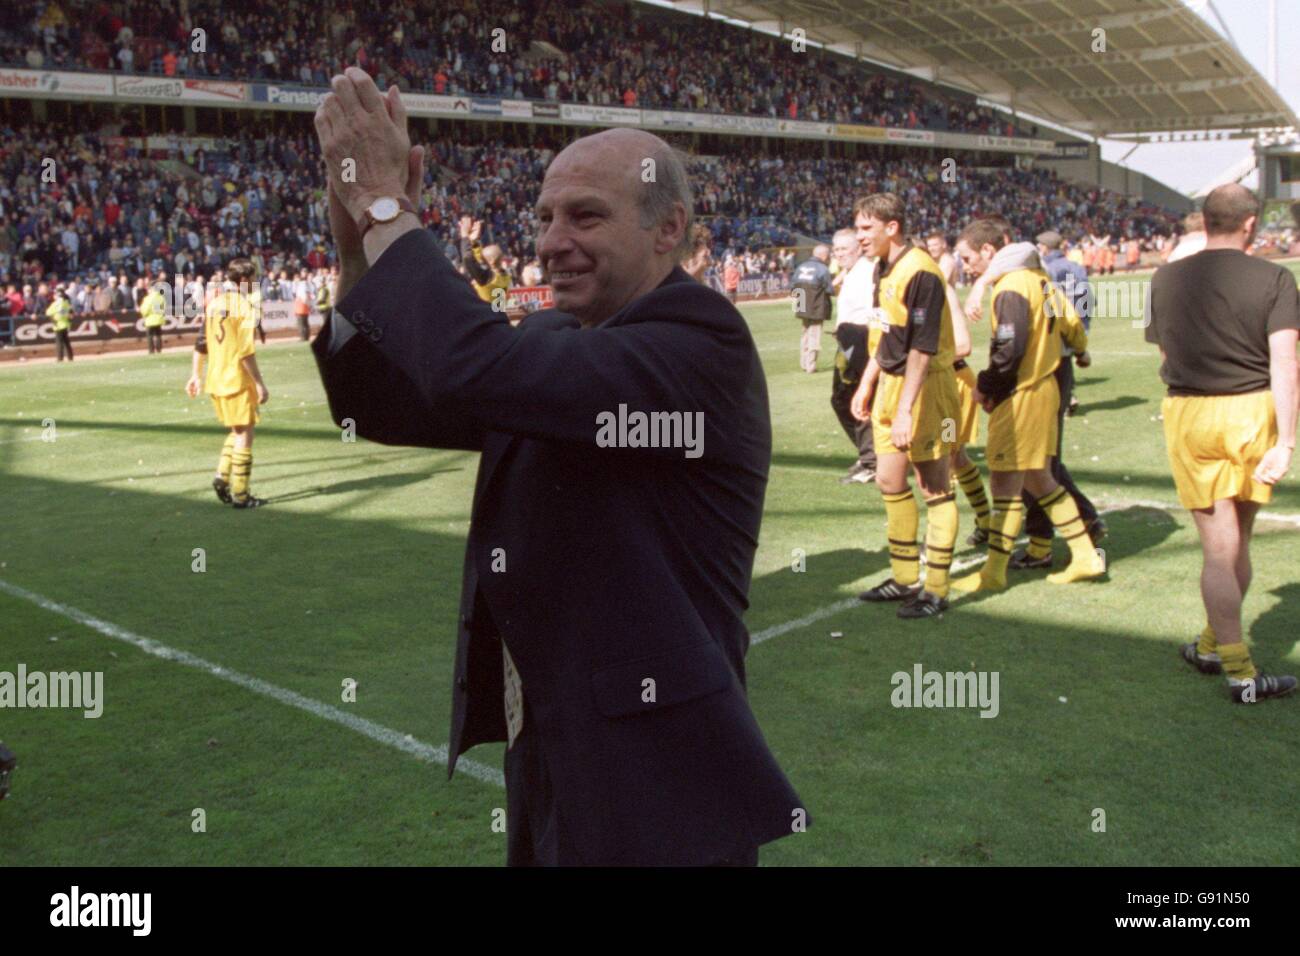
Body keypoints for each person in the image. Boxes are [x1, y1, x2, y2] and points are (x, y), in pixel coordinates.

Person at [311, 69, 806, 865]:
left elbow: (471, 368)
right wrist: (353, 246)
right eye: (543, 217)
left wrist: (385, 210)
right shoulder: (553, 345)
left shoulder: (699, 343)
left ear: (667, 229)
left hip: (657, 776)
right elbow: (378, 406)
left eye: (585, 216)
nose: (551, 242)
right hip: (552, 743)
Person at [1145, 184, 1298, 703]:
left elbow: (1164, 347)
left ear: (1204, 220)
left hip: (1190, 411)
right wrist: (1288, 441)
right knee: (1237, 544)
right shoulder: (1276, 277)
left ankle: (1217, 648)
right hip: (1253, 412)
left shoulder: (1165, 277)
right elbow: (1286, 362)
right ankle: (1238, 672)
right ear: (1251, 223)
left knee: (1219, 547)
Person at [949, 218, 1105, 594]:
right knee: (1039, 478)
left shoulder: (1013, 286)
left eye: (968, 257)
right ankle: (1085, 556)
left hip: (1023, 394)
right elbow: (1070, 322)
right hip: (1046, 389)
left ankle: (993, 573)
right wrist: (1080, 351)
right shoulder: (1041, 279)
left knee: (1006, 483)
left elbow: (1009, 347)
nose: (966, 266)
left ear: (989, 251)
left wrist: (986, 386)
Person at [849, 193, 961, 619]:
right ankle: (903, 577)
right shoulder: (882, 268)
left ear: (890, 227)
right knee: (890, 482)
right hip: (891, 384)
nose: (860, 237)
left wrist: (906, 410)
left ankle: (936, 589)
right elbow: (884, 333)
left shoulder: (923, 273)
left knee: (934, 486)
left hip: (927, 389)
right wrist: (866, 383)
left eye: (865, 229)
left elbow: (922, 349)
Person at [185, 258, 269, 509]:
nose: (256, 283)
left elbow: (201, 344)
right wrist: (260, 384)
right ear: (243, 281)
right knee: (246, 433)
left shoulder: (214, 304)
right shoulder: (243, 308)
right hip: (236, 379)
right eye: (253, 279)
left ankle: (222, 476)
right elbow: (245, 352)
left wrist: (195, 375)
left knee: (238, 430)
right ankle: (241, 495)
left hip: (216, 379)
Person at [828, 227, 876, 484]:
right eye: (836, 249)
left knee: (858, 399)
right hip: (848, 341)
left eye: (844, 249)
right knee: (841, 399)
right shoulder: (852, 272)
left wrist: (857, 334)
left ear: (857, 248)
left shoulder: (867, 272)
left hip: (860, 340)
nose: (839, 254)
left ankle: (871, 461)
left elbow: (874, 310)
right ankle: (868, 454)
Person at [791, 244, 832, 373]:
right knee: (814, 335)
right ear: (824, 255)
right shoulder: (823, 269)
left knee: (804, 334)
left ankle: (803, 363)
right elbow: (829, 290)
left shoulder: (800, 266)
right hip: (816, 306)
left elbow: (793, 287)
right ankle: (811, 365)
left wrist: (799, 304)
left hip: (801, 304)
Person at [458, 216, 511, 307]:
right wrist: (474, 241)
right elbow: (480, 259)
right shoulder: (504, 276)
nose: (480, 259)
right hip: (498, 314)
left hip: (485, 317)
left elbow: (468, 259)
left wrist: (465, 236)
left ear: (491, 261)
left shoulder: (486, 278)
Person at [140, 281, 168, 354]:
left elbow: (145, 309)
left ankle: (151, 351)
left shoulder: (148, 298)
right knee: (158, 335)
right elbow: (164, 308)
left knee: (150, 336)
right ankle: (159, 350)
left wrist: (144, 314)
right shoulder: (161, 297)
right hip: (158, 319)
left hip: (150, 320)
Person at [46, 287, 73, 361]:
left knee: (60, 343)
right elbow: (69, 313)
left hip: (59, 325)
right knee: (66, 342)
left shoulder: (57, 303)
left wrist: (55, 319)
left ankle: (60, 358)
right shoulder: (66, 302)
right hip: (64, 324)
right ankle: (70, 357)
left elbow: (49, 312)